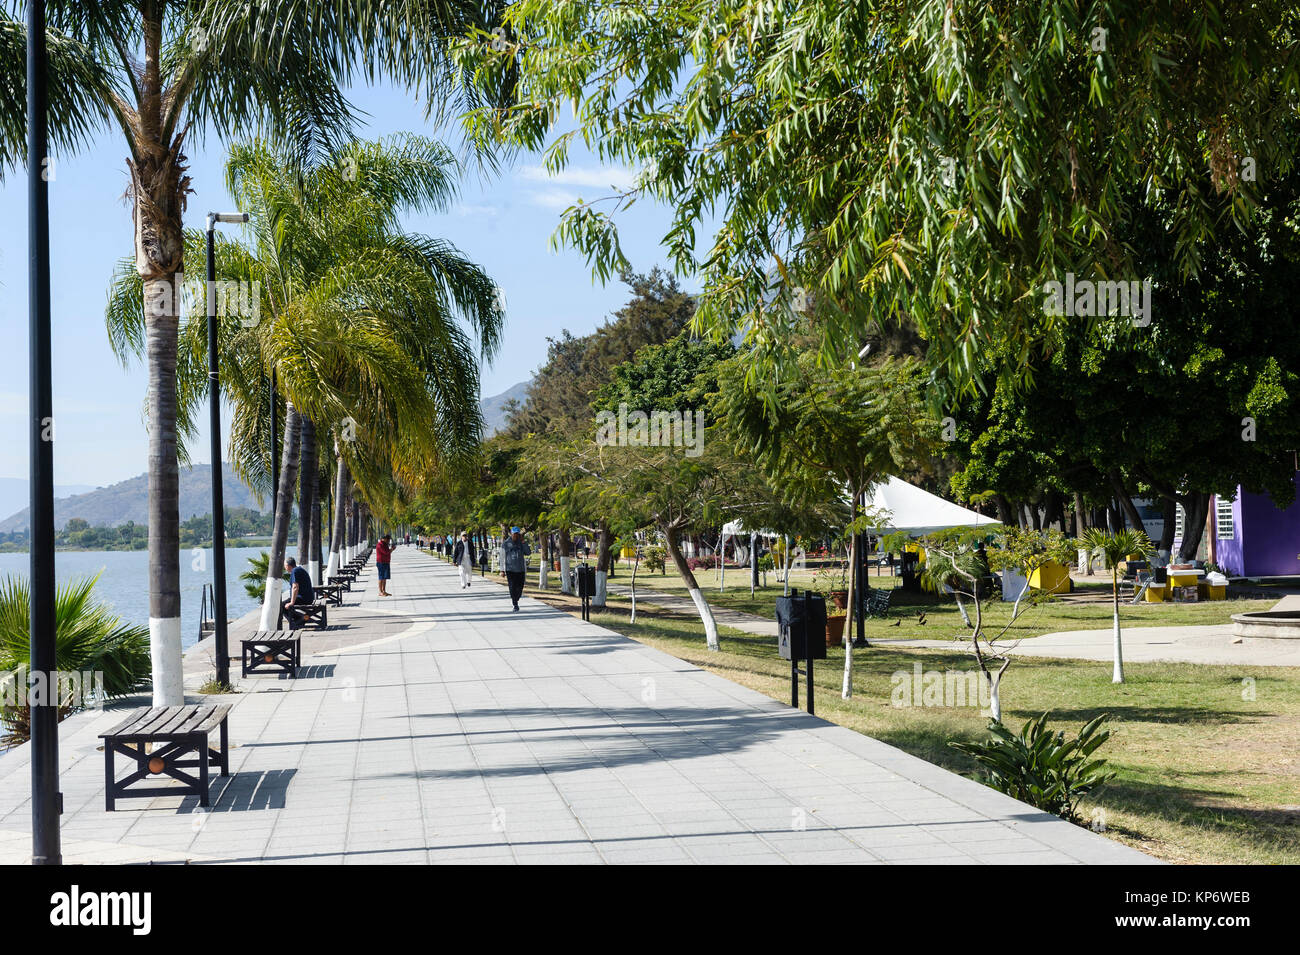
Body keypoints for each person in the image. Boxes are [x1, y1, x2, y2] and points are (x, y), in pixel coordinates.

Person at [502, 527, 531, 612]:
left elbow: (528, 552)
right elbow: (502, 557)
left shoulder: (521, 542)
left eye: (517, 534)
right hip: (510, 569)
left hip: (520, 569)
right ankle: (515, 603)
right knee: (512, 587)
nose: (516, 535)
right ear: (511, 534)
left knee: (520, 587)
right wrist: (502, 570)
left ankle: (516, 598)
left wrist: (524, 542)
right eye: (514, 534)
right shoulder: (506, 543)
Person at [281, 556, 314, 627]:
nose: (285, 568)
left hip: (303, 598)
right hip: (307, 597)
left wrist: (292, 602)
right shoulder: (298, 569)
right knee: (284, 605)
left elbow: (295, 587)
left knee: (281, 606)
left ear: (288, 565)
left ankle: (297, 622)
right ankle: (300, 620)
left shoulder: (295, 571)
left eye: (285, 566)